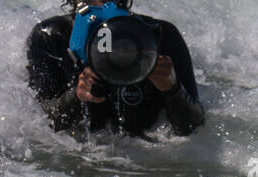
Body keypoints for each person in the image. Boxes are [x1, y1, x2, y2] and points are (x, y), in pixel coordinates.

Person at [27, 0, 205, 137]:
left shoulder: (161, 36)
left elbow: (194, 128)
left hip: (147, 159)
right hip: (81, 157)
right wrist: (77, 96)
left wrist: (171, 87)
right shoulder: (51, 36)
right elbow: (40, 123)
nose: (101, 3)